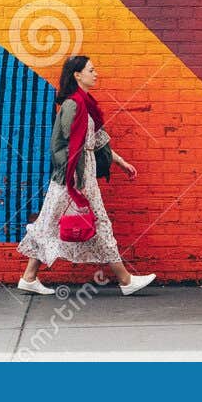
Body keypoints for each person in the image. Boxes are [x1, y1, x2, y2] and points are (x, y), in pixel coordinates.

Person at [16, 54, 156, 296]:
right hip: (74, 178)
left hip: (81, 175)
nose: (96, 73)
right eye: (91, 70)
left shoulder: (85, 103)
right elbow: (69, 144)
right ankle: (125, 280)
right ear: (77, 75)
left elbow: (97, 141)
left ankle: (29, 277)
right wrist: (76, 179)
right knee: (93, 223)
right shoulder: (74, 104)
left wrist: (121, 162)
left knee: (50, 223)